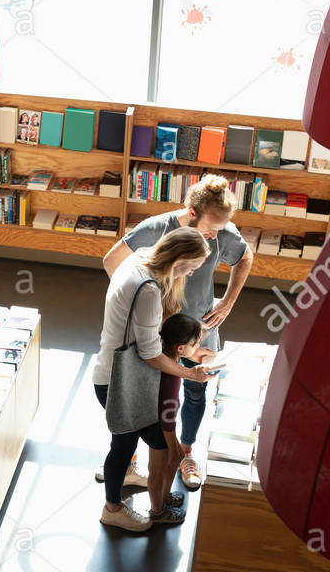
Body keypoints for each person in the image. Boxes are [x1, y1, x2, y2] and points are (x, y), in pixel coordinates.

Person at [102, 175, 254, 491]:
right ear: (192, 213)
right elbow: (112, 261)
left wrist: (227, 302)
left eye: (223, 228)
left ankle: (185, 452)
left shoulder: (221, 230)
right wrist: (138, 304)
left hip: (200, 329)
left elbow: (245, 256)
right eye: (213, 228)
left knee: (196, 390)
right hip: (157, 331)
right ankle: (128, 457)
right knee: (145, 394)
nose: (217, 235)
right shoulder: (157, 227)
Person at [94, 227, 212, 532]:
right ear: (180, 259)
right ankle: (113, 509)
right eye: (192, 267)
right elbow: (149, 353)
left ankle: (153, 498)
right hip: (119, 380)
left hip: (122, 372)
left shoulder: (140, 259)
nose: (190, 274)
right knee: (123, 445)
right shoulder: (148, 289)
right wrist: (190, 372)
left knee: (152, 441)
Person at [151, 313, 211, 526]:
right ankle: (158, 510)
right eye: (194, 345)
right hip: (161, 427)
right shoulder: (172, 377)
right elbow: (167, 412)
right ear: (180, 349)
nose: (196, 348)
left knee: (173, 460)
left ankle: (165, 497)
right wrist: (172, 442)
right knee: (163, 466)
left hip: (162, 423)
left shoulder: (169, 361)